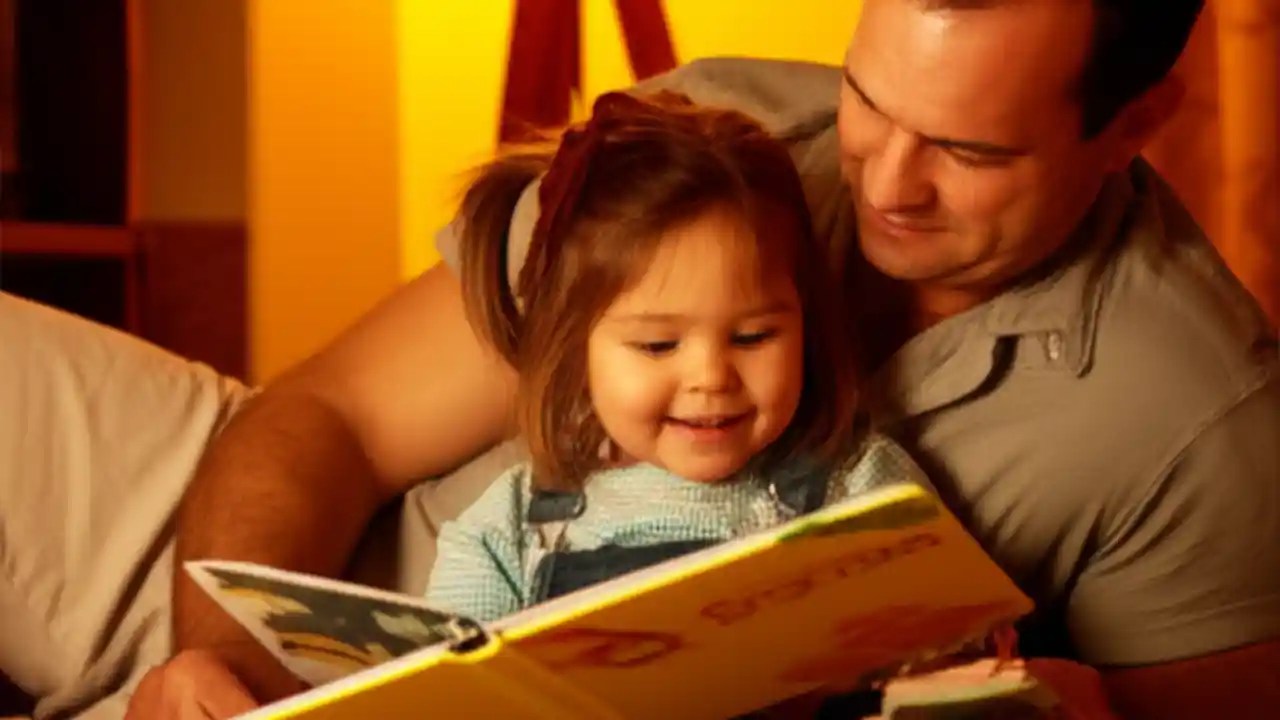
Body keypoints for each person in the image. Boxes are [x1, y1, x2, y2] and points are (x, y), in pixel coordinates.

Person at [63, 0, 1280, 717]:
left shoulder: (1198, 418)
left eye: (967, 150)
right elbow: (326, 414)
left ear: (1130, 126)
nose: (882, 182)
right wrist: (219, 657)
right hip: (235, 571)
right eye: (869, 99)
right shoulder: (716, 143)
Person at [425, 89, 911, 623]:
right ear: (573, 351)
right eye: (658, 346)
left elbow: (937, 642)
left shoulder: (860, 486)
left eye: (752, 337)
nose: (710, 378)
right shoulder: (509, 530)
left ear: (807, 325)